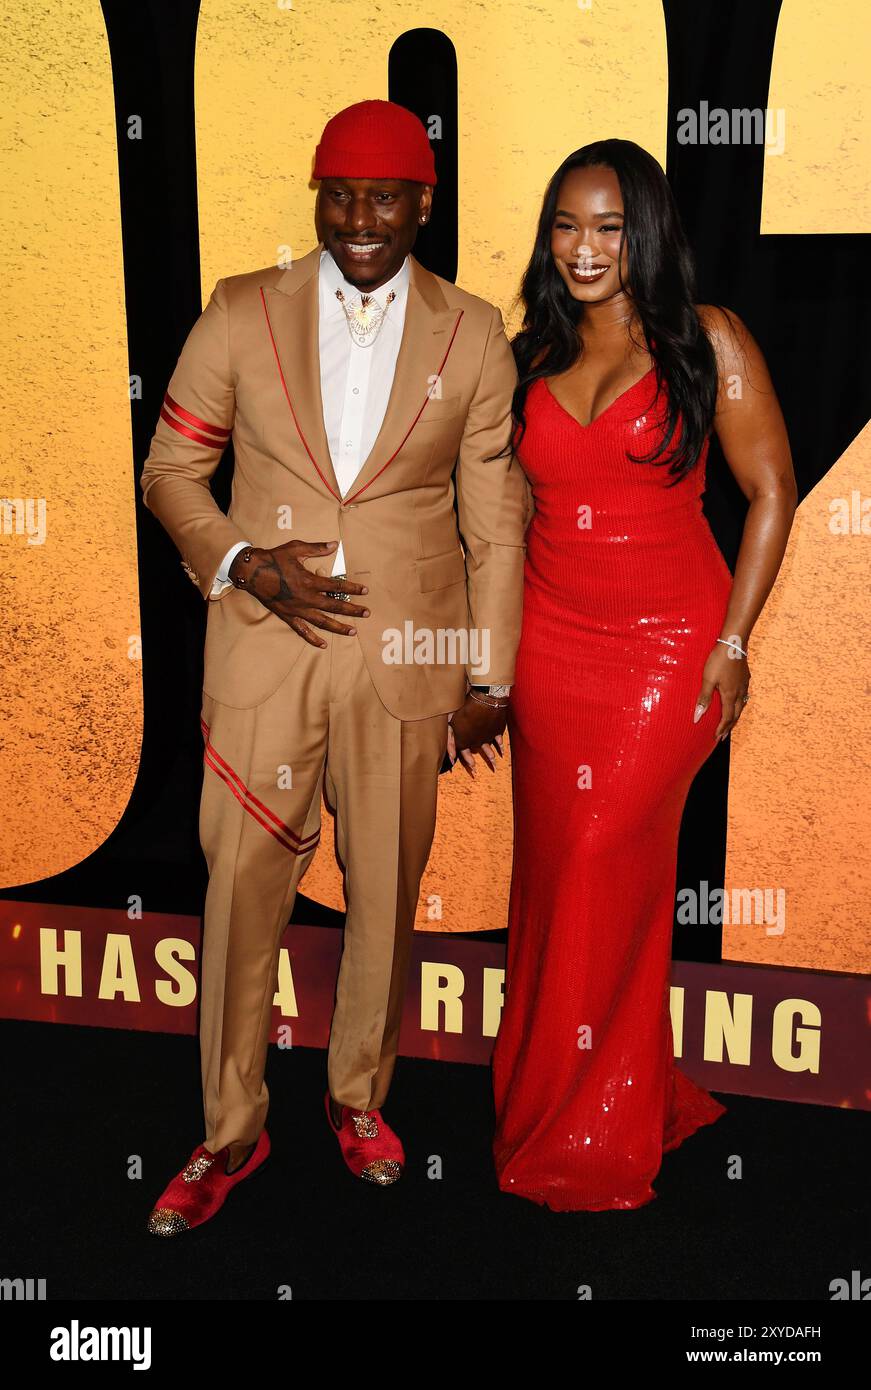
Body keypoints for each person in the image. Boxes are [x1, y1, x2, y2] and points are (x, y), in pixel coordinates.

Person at [139, 100, 529, 1236]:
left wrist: (485, 673)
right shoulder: (240, 311)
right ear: (319, 196)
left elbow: (494, 524)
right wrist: (243, 562)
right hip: (265, 652)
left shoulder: (475, 333)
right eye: (339, 196)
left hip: (407, 663)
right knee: (237, 897)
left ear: (423, 202)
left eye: (384, 198)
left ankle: (358, 1097)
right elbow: (170, 471)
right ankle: (226, 1129)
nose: (359, 220)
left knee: (384, 901)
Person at [491, 139, 797, 1211]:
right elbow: (504, 524)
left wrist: (732, 642)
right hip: (547, 650)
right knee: (557, 878)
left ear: (647, 233)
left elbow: (770, 491)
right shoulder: (526, 356)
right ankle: (579, 1092)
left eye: (609, 226)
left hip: (669, 654)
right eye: (566, 225)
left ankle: (589, 1129)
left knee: (598, 859)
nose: (583, 248)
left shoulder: (708, 342)